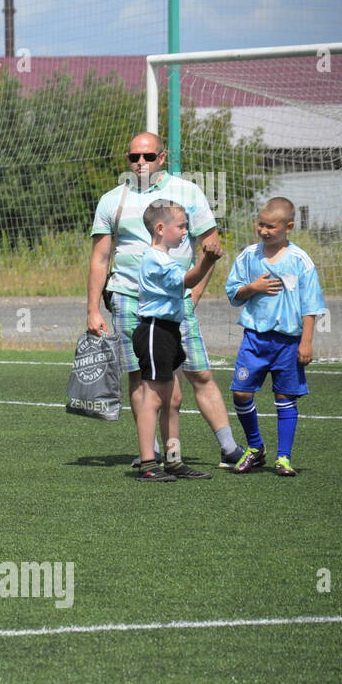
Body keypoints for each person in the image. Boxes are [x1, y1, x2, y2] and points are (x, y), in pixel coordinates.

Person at [87, 131, 245, 468]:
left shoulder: (187, 191)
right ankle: (154, 454)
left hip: (176, 303)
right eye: (134, 157)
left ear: (163, 158)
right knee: (140, 378)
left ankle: (229, 449)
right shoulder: (112, 199)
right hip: (127, 299)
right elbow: (100, 258)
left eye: (147, 156)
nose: (140, 163)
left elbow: (210, 247)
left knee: (199, 373)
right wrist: (92, 309)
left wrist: (191, 297)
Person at [224, 197, 326, 477]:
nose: (264, 231)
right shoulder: (248, 256)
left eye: (271, 226)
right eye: (260, 224)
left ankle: (283, 458)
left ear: (288, 227)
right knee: (241, 392)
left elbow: (311, 305)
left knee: (284, 396)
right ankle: (255, 447)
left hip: (288, 343)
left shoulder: (300, 261)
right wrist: (253, 287)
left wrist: (306, 342)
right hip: (255, 339)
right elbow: (233, 293)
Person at [131, 199, 223, 482]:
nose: (186, 231)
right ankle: (149, 462)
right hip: (155, 331)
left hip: (169, 331)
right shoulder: (155, 258)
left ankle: (173, 461)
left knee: (173, 399)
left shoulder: (164, 257)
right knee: (153, 398)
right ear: (160, 228)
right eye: (181, 226)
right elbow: (188, 281)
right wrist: (207, 260)